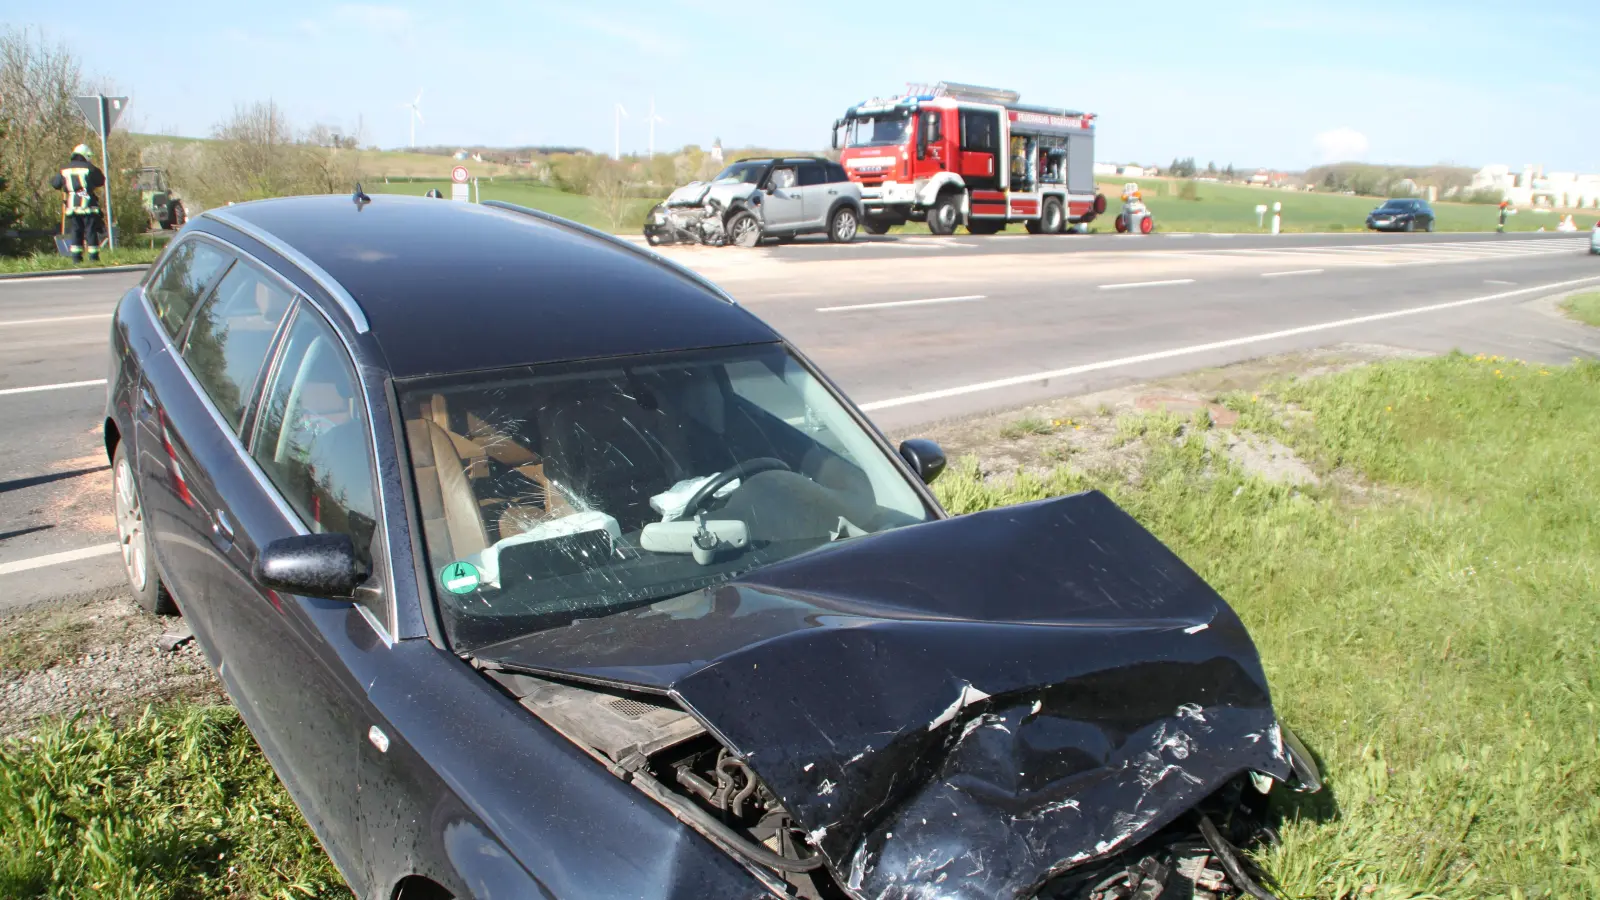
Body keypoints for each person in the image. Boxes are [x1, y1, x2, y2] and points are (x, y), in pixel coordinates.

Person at [48, 144, 106, 263]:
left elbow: (55, 184)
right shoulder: (90, 168)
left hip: (72, 205)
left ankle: (76, 258)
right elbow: (101, 181)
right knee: (90, 230)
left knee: (76, 230)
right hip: (88, 203)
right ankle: (93, 258)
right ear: (86, 155)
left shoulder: (64, 169)